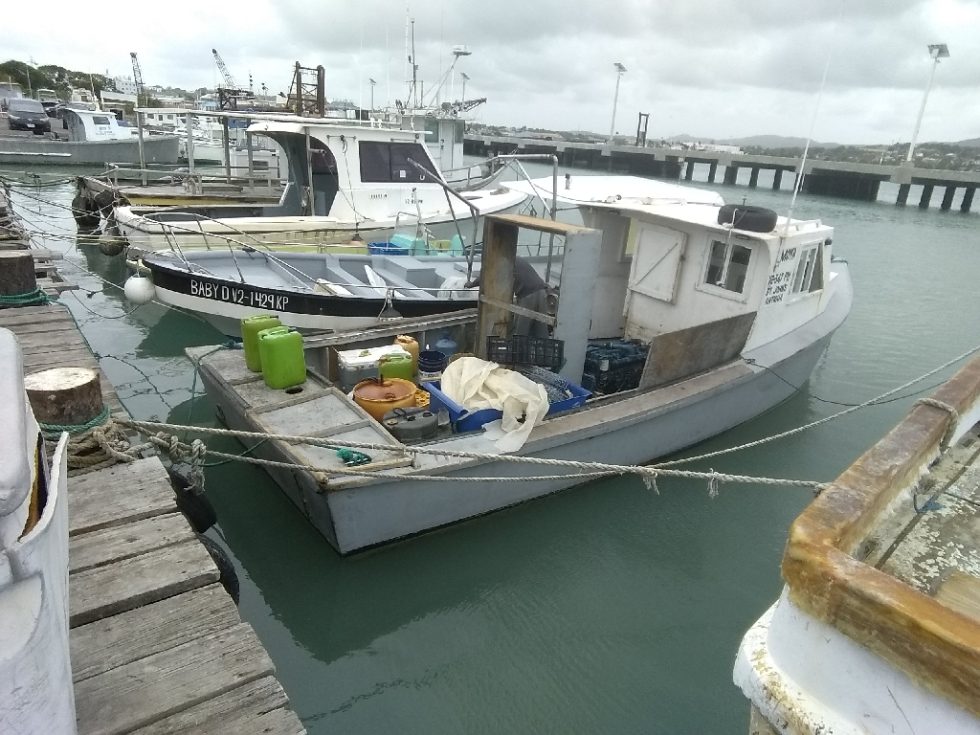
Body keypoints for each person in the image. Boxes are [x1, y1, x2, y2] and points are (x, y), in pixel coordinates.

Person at [466, 258, 550, 337]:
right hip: (542, 291)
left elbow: (486, 276)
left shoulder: (501, 261)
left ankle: (517, 347)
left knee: (521, 331)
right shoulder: (516, 259)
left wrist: (472, 284)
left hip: (527, 295)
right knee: (541, 330)